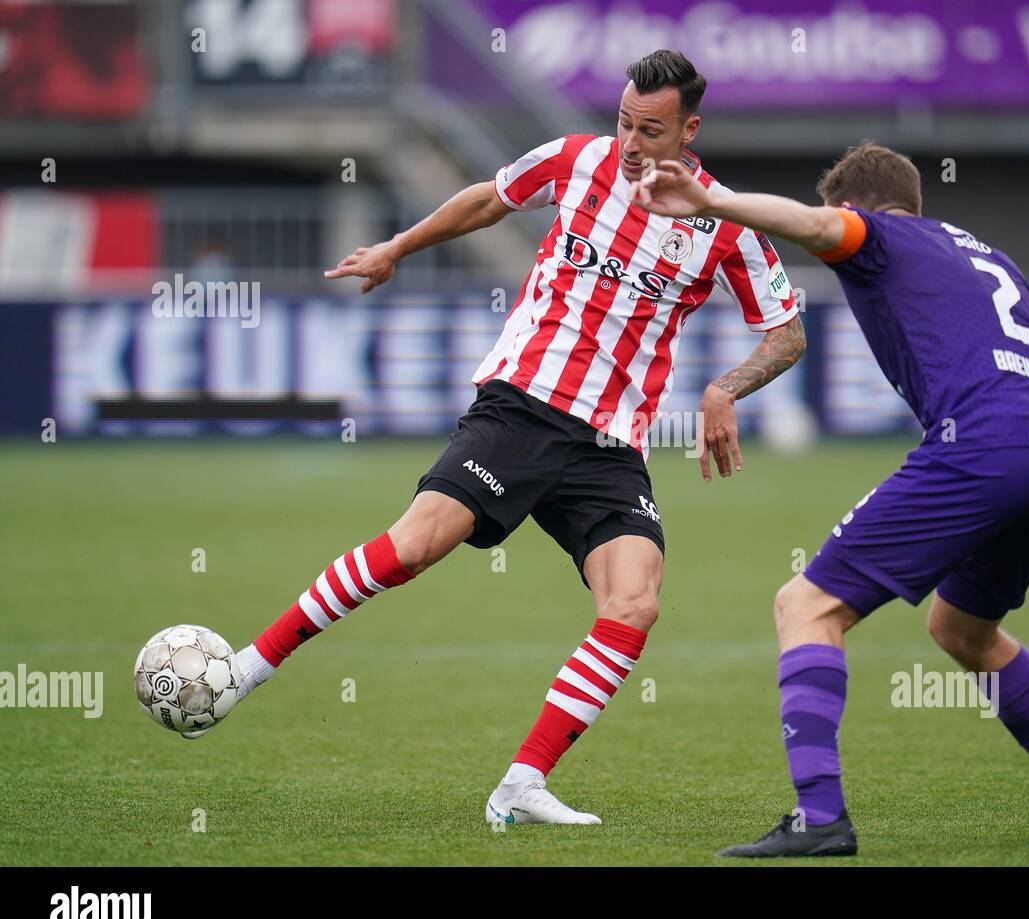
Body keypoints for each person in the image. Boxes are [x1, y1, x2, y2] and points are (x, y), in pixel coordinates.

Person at [192, 50, 805, 828]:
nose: (629, 142)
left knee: (635, 601)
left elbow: (786, 333)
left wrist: (725, 389)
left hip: (610, 446)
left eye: (649, 130)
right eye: (623, 121)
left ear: (689, 129)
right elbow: (490, 199)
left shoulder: (726, 220)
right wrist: (396, 248)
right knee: (414, 548)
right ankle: (249, 667)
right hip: (522, 407)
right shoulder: (577, 160)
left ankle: (521, 784)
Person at [630, 142, 1029, 857]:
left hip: (982, 445)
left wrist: (712, 201)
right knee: (963, 630)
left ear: (855, 208)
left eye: (836, 217)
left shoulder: (876, 236)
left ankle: (819, 818)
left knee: (805, 605)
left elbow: (817, 230)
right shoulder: (989, 259)